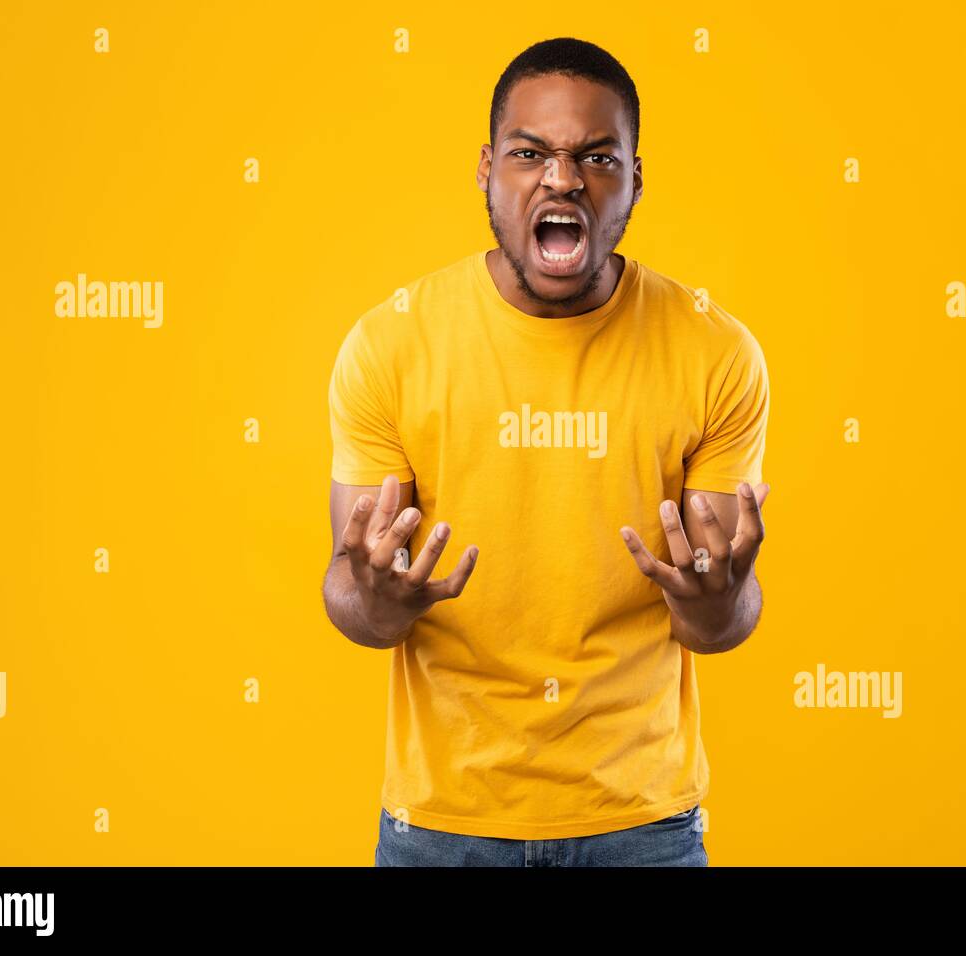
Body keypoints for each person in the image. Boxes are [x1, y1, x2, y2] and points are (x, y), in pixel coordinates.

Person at [322, 36, 771, 867]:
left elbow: (715, 625)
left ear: (634, 179)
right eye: (532, 153)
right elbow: (357, 609)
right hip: (442, 826)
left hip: (644, 823)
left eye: (597, 157)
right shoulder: (390, 346)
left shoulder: (715, 353)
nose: (562, 179)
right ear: (489, 170)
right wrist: (378, 591)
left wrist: (719, 596)